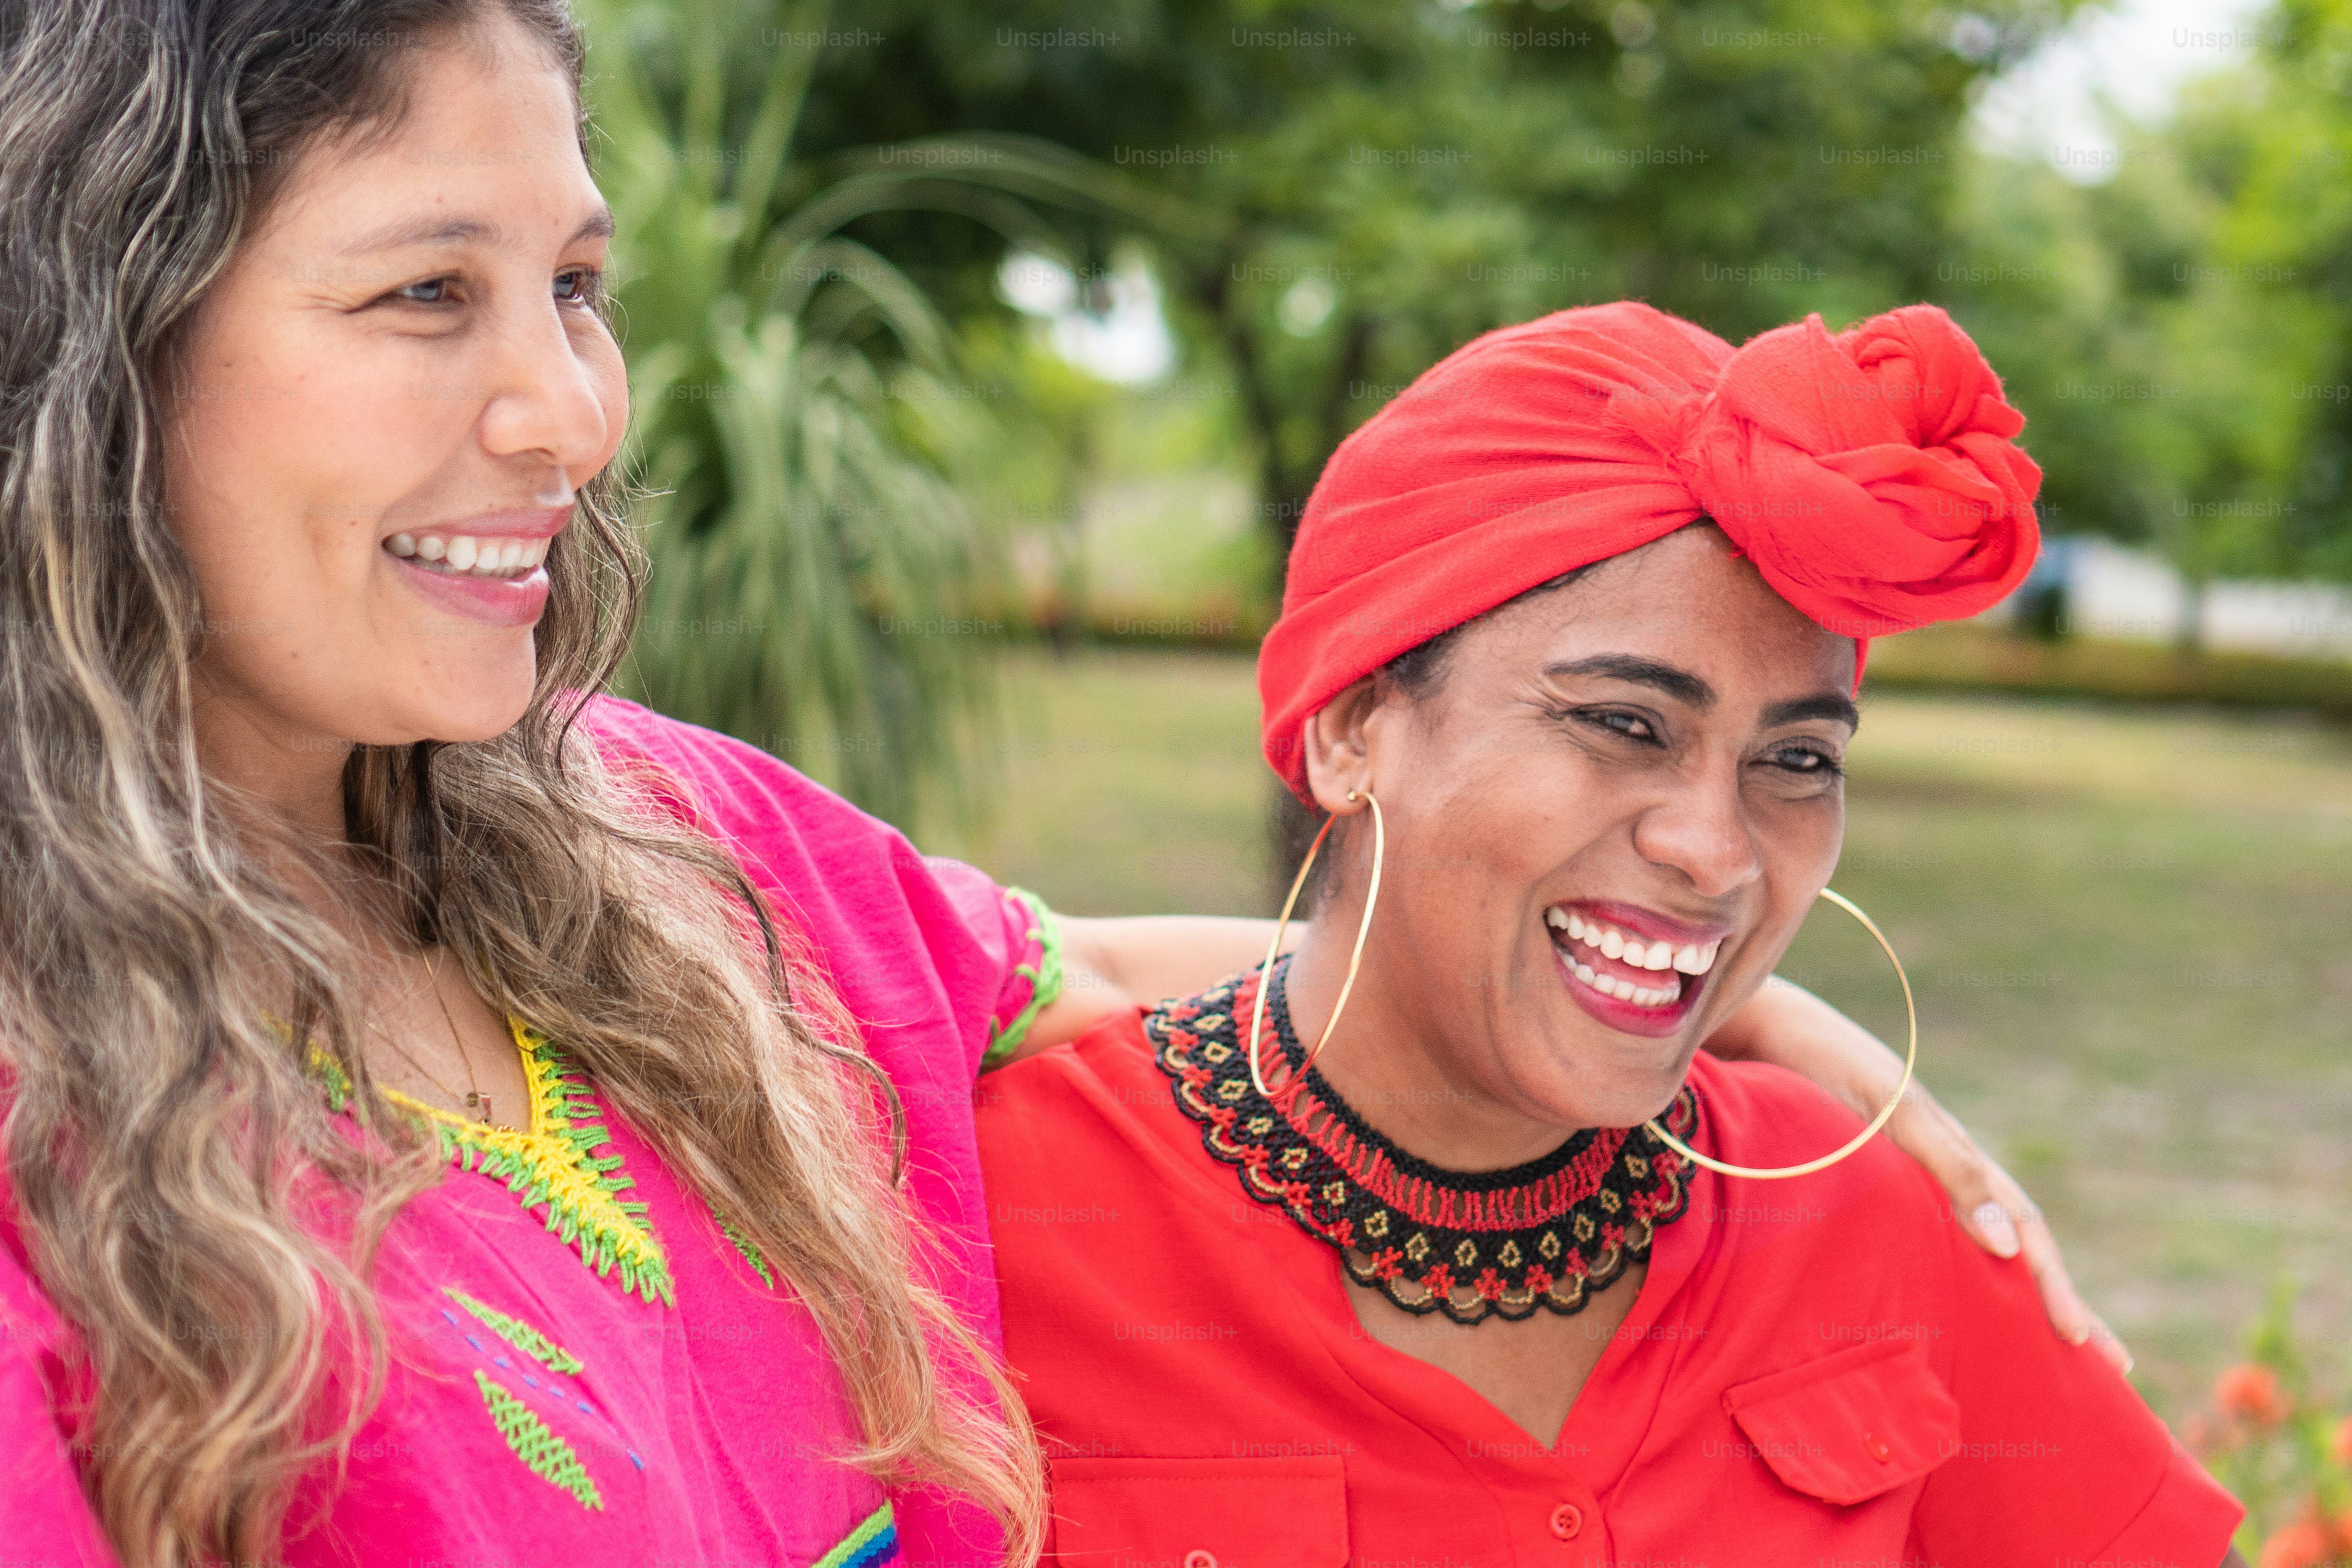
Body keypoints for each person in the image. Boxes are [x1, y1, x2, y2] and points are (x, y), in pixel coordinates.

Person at [0, 3, 2117, 1564]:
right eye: (425, 293)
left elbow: (1080, 966)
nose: (568, 409)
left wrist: (1744, 994)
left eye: (573, 288)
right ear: (99, 336)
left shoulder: (666, 847)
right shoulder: (42, 1112)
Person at [974, 301, 2251, 1564]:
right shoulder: (975, 1227)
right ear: (1353, 729)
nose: (1716, 850)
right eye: (1624, 725)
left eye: (1796, 759)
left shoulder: (1864, 1209)